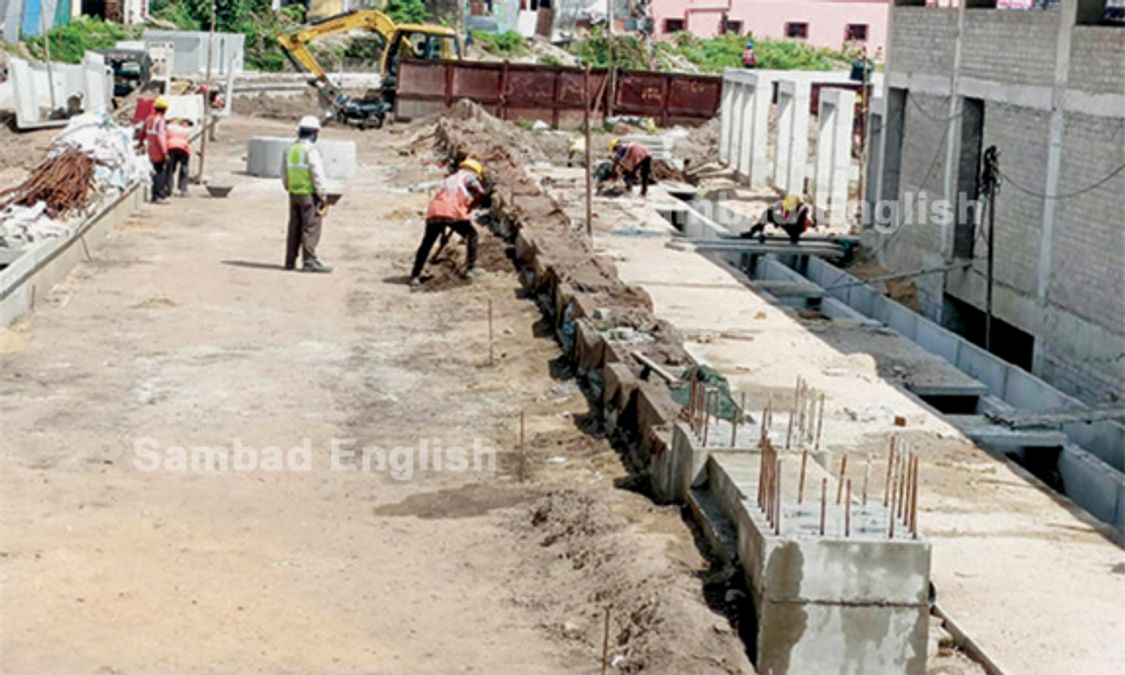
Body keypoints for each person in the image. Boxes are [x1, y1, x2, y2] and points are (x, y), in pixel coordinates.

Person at [410, 158, 488, 287]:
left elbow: (444, 200)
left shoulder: (450, 179)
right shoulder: (469, 177)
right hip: (453, 212)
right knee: (472, 235)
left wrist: (442, 235)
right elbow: (480, 191)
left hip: (435, 211)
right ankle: (471, 268)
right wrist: (477, 201)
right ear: (476, 171)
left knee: (427, 243)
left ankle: (415, 275)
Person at [280, 115, 331, 273]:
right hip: (309, 194)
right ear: (314, 133)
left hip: (293, 193)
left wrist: (288, 187)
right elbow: (317, 174)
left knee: (294, 227)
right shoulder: (311, 150)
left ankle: (290, 260)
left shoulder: (290, 149)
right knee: (311, 227)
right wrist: (322, 195)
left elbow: (284, 172)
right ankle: (309, 261)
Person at [741, 194, 817, 244]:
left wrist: (811, 223)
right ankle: (755, 232)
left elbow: (808, 221)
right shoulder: (782, 203)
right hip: (786, 222)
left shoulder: (803, 210)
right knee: (768, 214)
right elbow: (771, 209)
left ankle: (794, 239)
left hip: (795, 227)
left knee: (794, 233)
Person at [143, 97, 170, 202]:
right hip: (158, 149)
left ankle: (154, 195)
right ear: (165, 110)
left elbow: (142, 132)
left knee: (154, 171)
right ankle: (158, 195)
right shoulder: (160, 120)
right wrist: (165, 152)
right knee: (160, 172)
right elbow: (161, 137)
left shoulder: (150, 118)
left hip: (151, 148)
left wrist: (141, 142)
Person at [166, 119, 192, 197]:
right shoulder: (187, 130)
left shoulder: (169, 127)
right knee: (184, 168)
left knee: (170, 168)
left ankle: (169, 188)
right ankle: (183, 189)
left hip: (171, 147)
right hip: (183, 148)